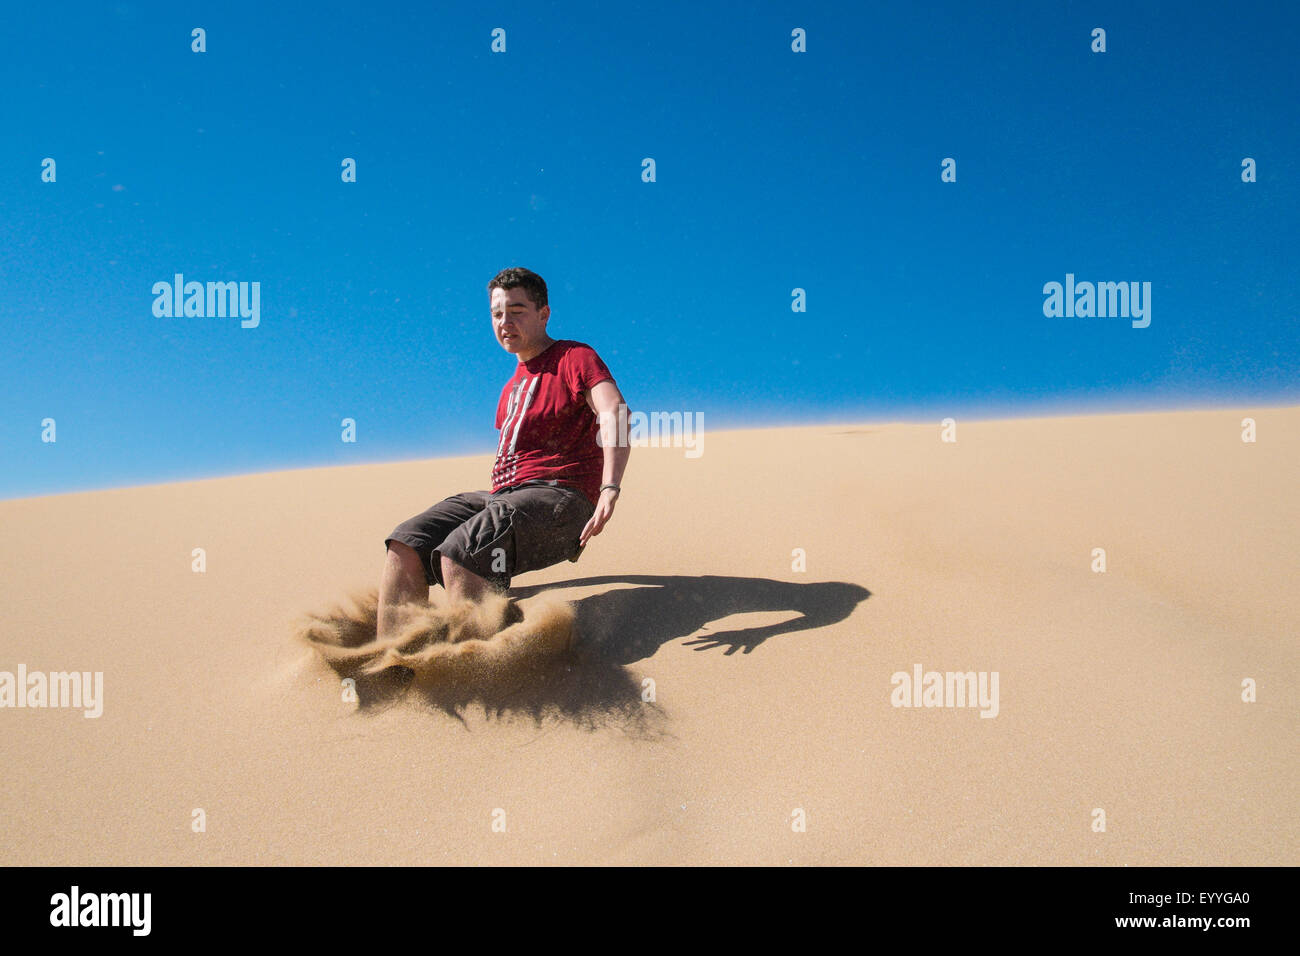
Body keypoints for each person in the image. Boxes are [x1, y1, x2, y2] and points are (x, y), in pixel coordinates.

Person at [377, 267, 629, 640]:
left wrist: (610, 487)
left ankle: (482, 671)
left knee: (463, 549)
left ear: (543, 314)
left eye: (517, 310)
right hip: (504, 499)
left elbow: (615, 413)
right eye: (497, 313)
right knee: (408, 539)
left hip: (560, 498)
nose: (504, 322)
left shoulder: (574, 357)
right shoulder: (510, 388)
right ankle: (394, 660)